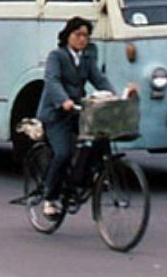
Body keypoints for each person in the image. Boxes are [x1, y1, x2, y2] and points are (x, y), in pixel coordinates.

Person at [36, 17, 117, 218]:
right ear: (67, 36)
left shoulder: (87, 58)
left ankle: (91, 175)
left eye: (86, 36)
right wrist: (64, 100)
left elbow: (99, 79)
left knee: (100, 136)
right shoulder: (57, 56)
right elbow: (52, 81)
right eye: (77, 34)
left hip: (77, 110)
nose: (82, 39)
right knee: (63, 153)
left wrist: (115, 96)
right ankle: (50, 198)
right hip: (56, 114)